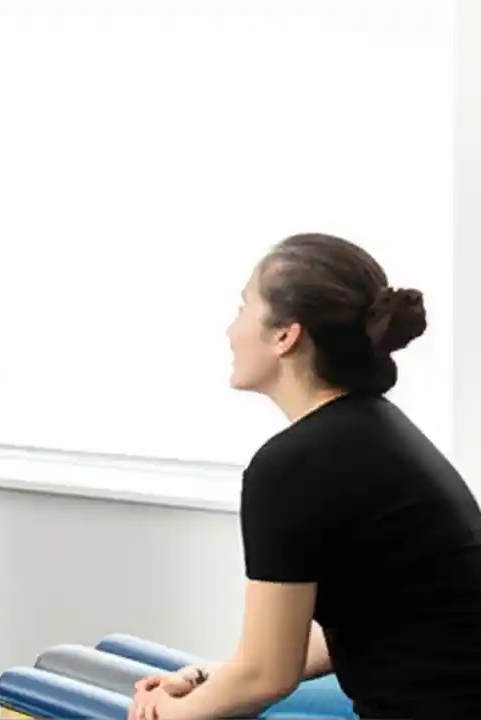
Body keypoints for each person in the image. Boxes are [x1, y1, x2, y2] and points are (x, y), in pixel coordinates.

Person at [128, 233, 481, 720]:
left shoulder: (291, 466)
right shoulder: (379, 432)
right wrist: (204, 676)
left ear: (284, 335)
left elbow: (266, 675)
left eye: (243, 307)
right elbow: (367, 625)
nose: (231, 330)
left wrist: (158, 715)